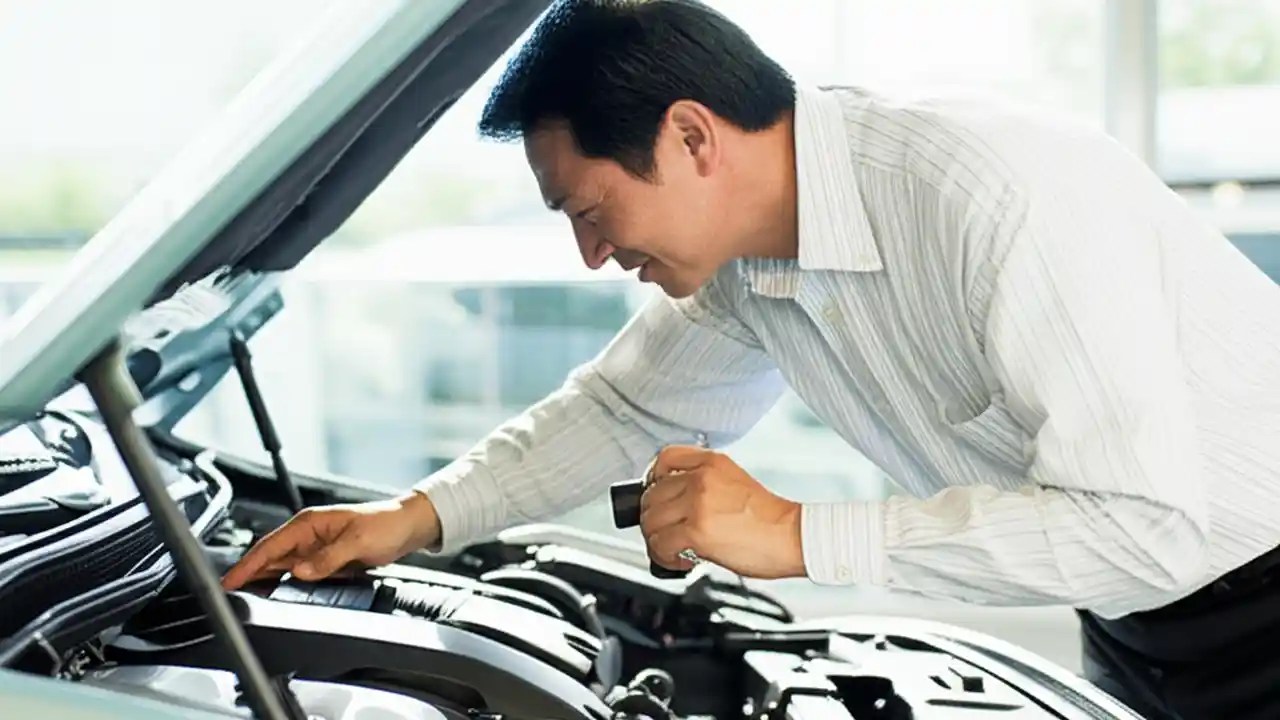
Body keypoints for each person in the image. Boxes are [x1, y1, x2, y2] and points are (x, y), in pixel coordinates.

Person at [221, 1, 1280, 717]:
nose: (591, 256)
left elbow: (1145, 524)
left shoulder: (994, 198)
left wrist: (793, 533)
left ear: (690, 137)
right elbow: (624, 411)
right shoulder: (742, 264)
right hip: (1135, 618)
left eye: (591, 211)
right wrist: (407, 521)